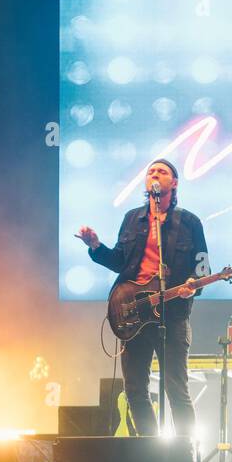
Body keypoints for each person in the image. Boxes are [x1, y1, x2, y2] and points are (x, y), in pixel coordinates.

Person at [77, 159, 207, 437]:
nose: (155, 175)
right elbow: (119, 262)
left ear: (174, 183)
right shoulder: (132, 218)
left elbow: (203, 268)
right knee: (135, 389)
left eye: (162, 172)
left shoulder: (190, 222)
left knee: (176, 389)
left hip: (172, 315)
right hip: (133, 311)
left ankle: (185, 458)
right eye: (151, 172)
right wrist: (96, 247)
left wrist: (192, 286)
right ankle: (148, 452)